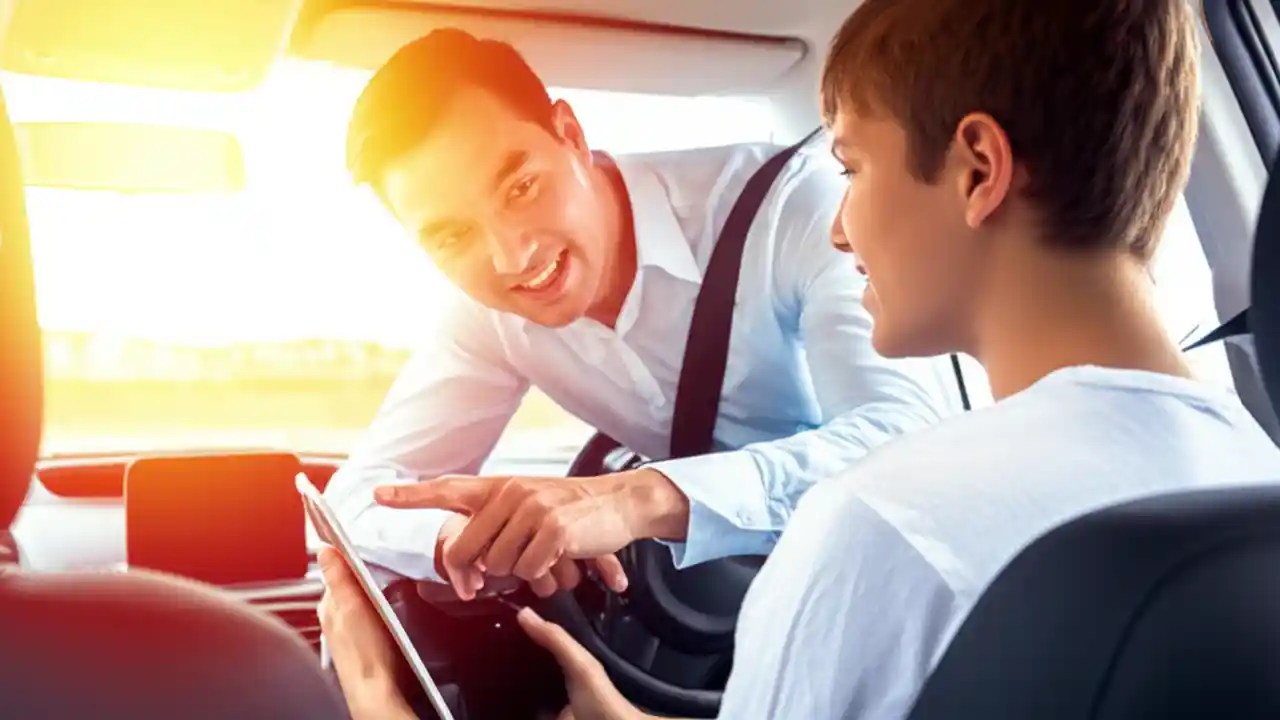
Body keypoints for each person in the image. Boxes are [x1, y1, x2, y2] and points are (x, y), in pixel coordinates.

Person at [326, 0, 1280, 718]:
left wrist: (373, 694)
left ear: (978, 171)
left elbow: (891, 449)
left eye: (855, 167)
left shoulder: (882, 532)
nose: (840, 222)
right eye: (452, 236)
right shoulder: (1255, 478)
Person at [325, 27, 958, 600]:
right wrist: (462, 539)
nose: (510, 255)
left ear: (570, 135)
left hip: (920, 585)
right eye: (450, 236)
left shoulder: (795, 208)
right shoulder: (482, 317)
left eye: (521, 188)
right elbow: (355, 496)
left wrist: (632, 499)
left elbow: (900, 445)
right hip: (736, 612)